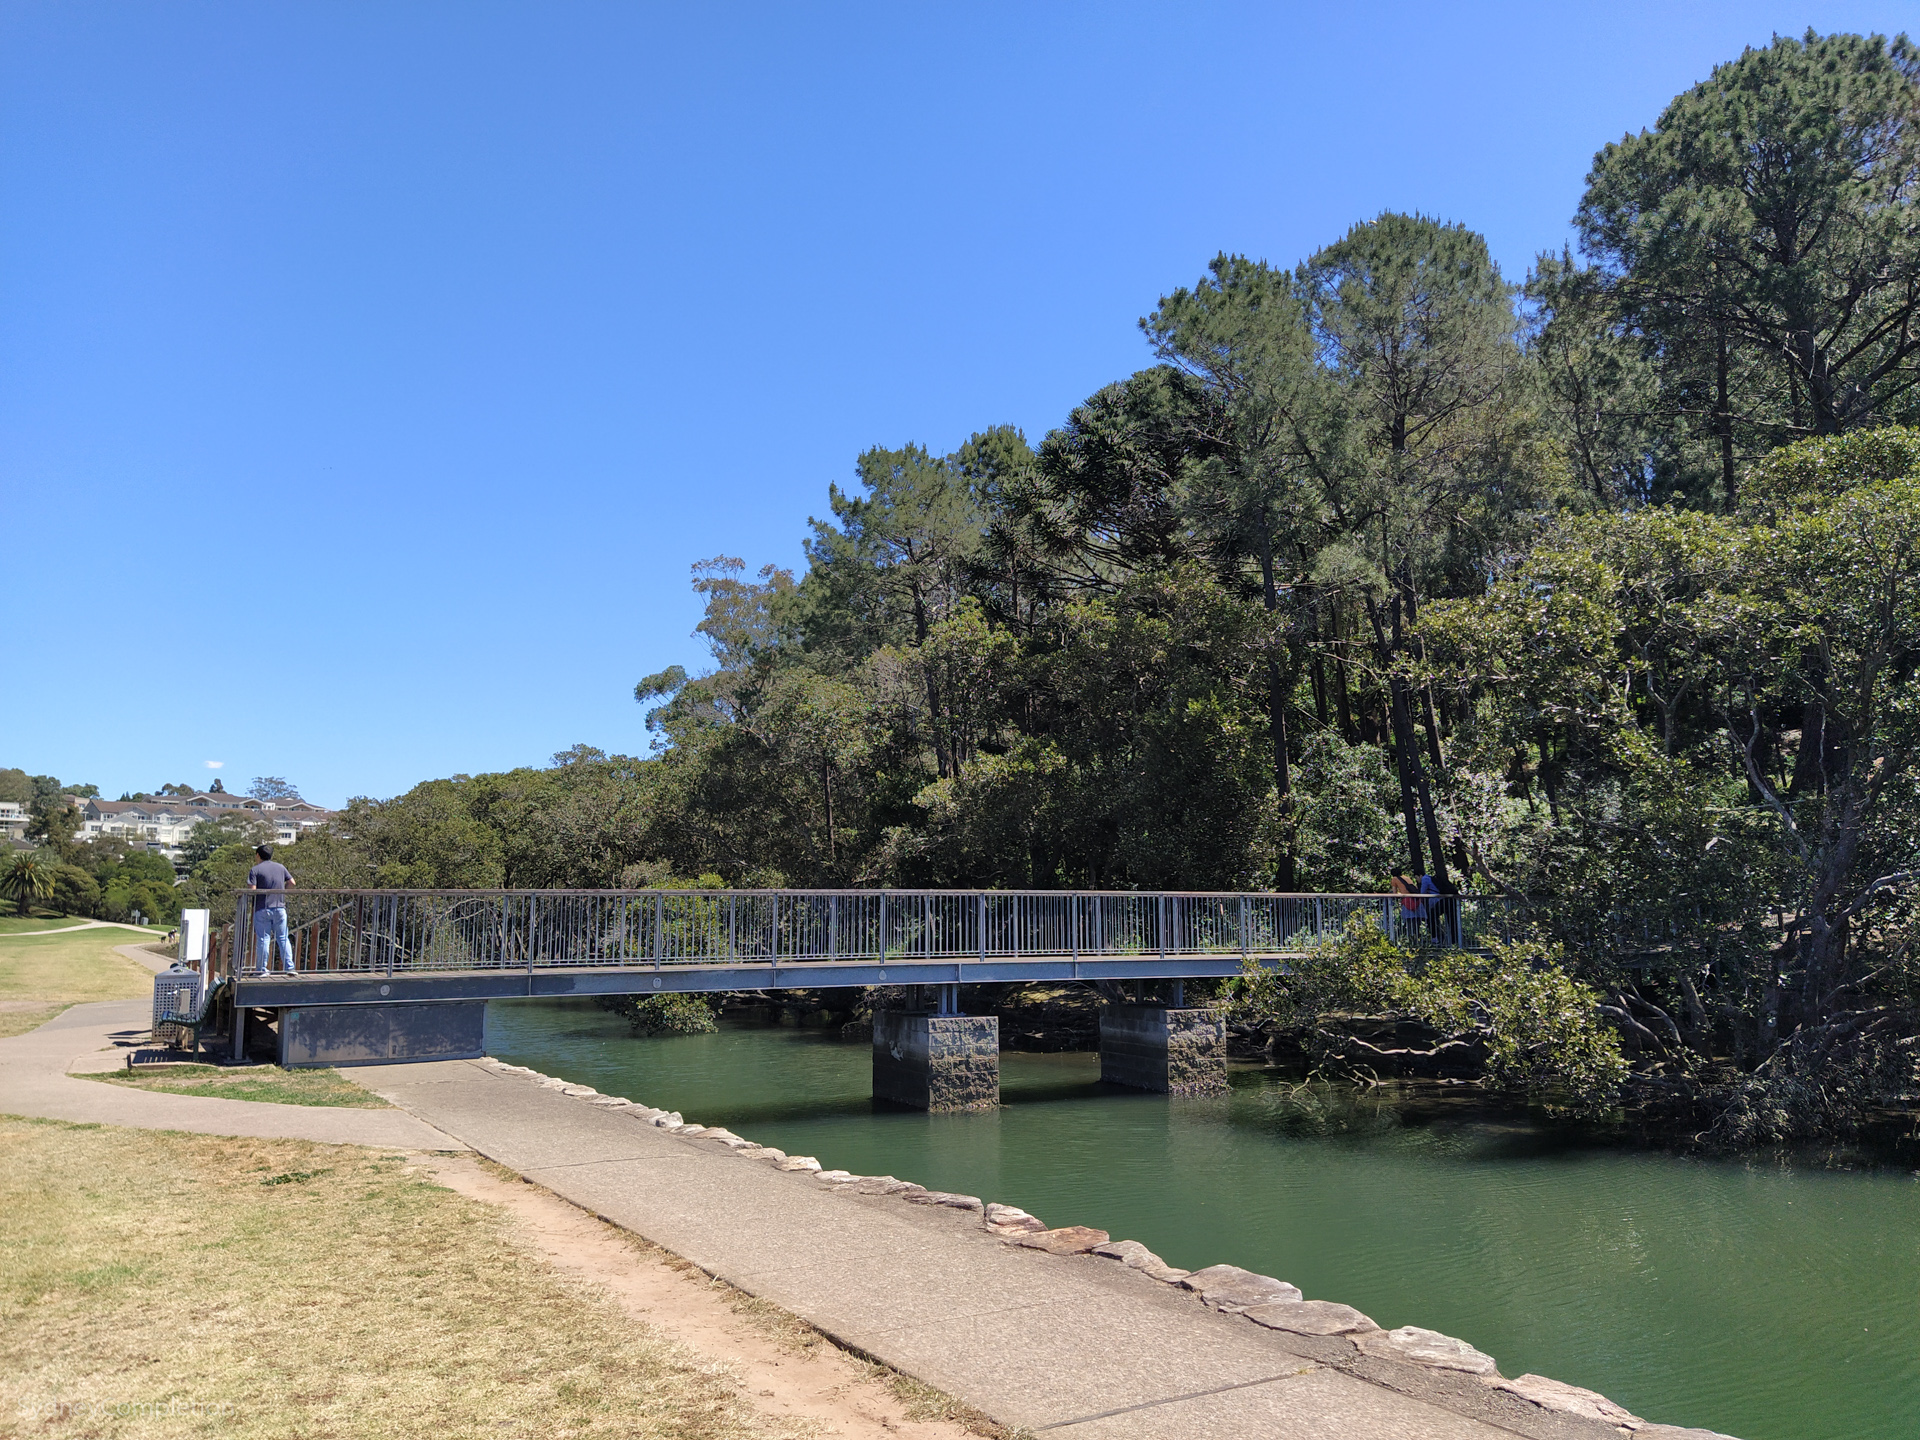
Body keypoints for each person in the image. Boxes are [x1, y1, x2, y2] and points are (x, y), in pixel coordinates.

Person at [247, 844, 296, 977]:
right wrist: (282, 891)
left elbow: (252, 890)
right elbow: (292, 882)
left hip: (262, 908)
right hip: (280, 907)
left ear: (258, 855)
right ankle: (290, 967)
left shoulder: (255, 870)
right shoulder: (280, 867)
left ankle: (262, 969)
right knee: (283, 938)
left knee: (263, 939)